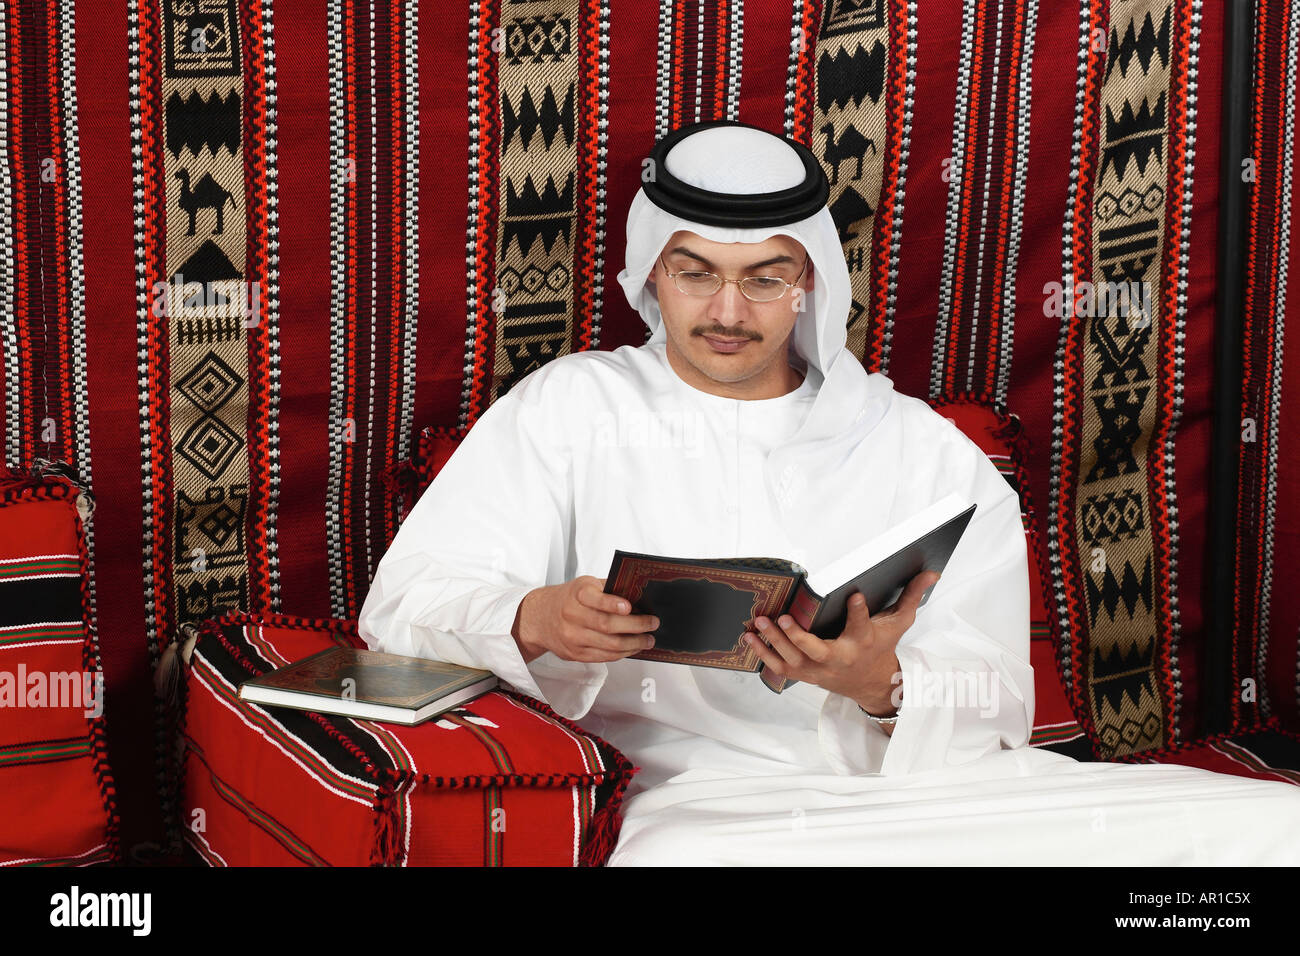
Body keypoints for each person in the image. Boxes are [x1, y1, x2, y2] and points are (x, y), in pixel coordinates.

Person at [358, 121, 1300, 865]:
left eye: (765, 279)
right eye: (697, 275)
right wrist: (533, 617)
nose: (728, 313)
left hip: (934, 799)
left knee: (1273, 834)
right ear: (654, 271)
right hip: (697, 808)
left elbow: (1002, 700)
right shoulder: (569, 407)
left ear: (810, 282)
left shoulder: (921, 451)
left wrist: (880, 685)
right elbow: (402, 612)